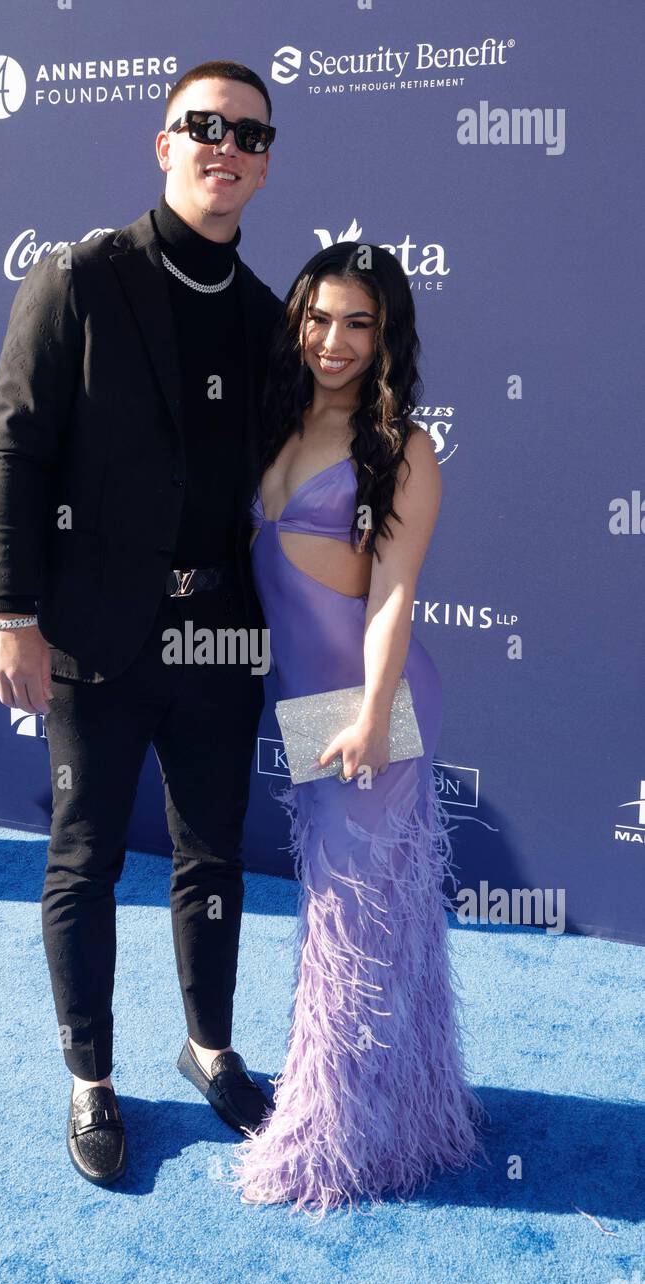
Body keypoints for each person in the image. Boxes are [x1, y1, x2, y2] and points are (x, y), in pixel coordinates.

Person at [0, 61, 283, 1186]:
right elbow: (14, 443)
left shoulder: (264, 319)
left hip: (220, 639)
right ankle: (92, 1079)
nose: (224, 145)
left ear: (264, 157)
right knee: (85, 861)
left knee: (211, 858)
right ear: (163, 143)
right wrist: (9, 609)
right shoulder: (79, 278)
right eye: (201, 125)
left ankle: (208, 1052)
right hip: (96, 636)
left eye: (247, 132)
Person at [226, 241, 491, 1218]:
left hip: (366, 706)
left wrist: (376, 711)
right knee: (381, 916)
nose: (333, 342)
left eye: (359, 324)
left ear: (386, 338)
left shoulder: (402, 448)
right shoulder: (276, 427)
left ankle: (324, 1140)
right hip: (306, 703)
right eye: (319, 319)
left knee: (345, 923)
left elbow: (393, 593)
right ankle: (414, 1113)